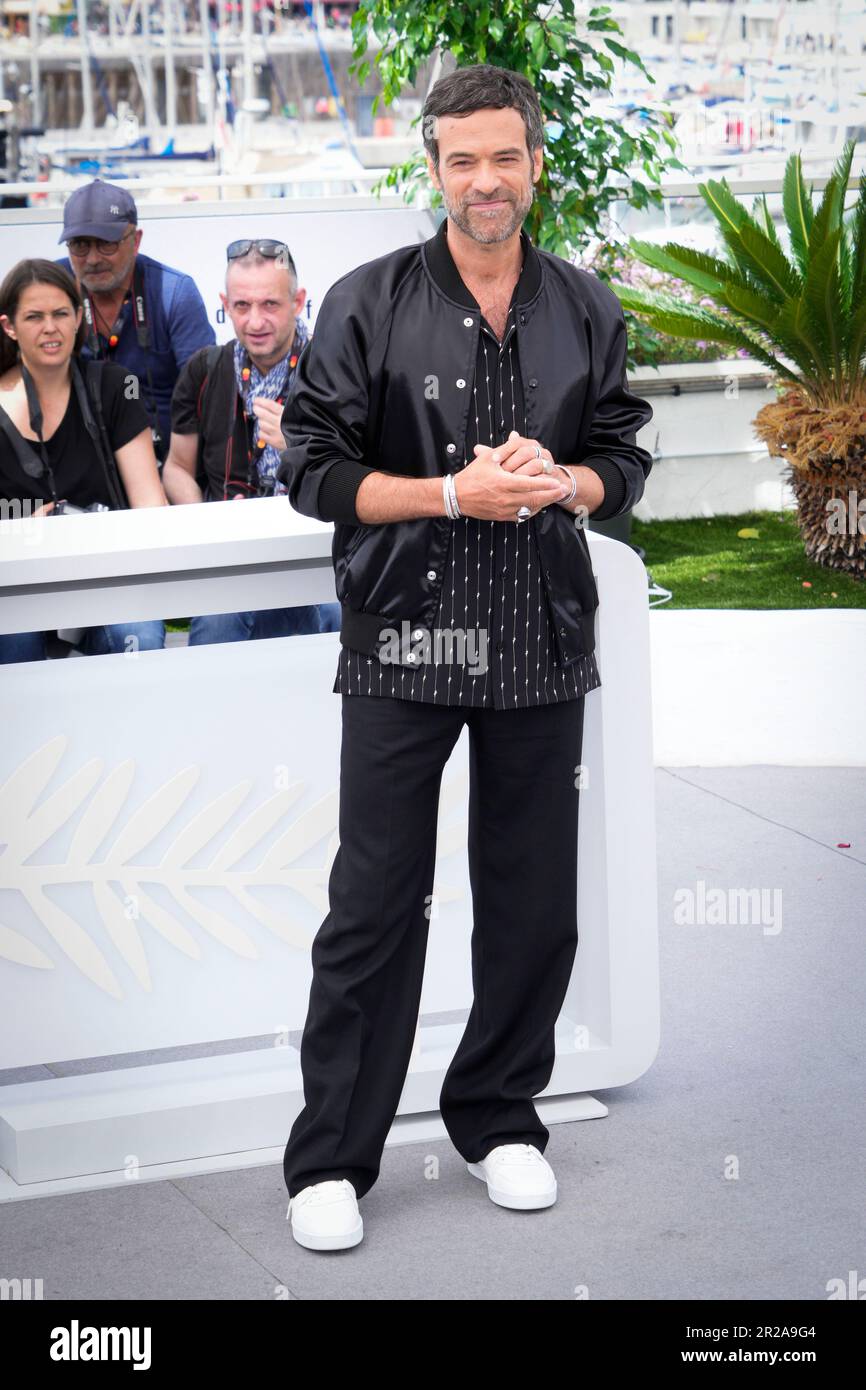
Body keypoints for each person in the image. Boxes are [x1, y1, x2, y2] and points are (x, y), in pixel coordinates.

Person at [278, 63, 654, 1252]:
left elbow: (621, 457)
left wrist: (570, 482)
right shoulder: (364, 301)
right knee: (374, 903)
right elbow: (309, 470)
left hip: (540, 637)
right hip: (403, 638)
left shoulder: (586, 305)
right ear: (433, 167)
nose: (483, 180)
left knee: (534, 902)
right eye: (460, 160)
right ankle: (332, 1158)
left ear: (534, 164)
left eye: (504, 157)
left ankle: (498, 1119)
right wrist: (451, 490)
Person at [162, 237, 340, 642]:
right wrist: (208, 520)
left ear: (298, 302)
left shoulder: (333, 369)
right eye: (242, 306)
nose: (255, 322)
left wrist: (297, 447)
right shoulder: (204, 369)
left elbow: (366, 468)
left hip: (316, 550)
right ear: (226, 305)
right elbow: (175, 467)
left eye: (270, 305)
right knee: (217, 622)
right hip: (233, 556)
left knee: (336, 613)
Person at [0, 259, 168, 663]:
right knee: (13, 642)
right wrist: (25, 530)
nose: (50, 328)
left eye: (61, 314)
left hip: (105, 580)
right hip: (15, 588)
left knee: (139, 636)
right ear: (8, 326)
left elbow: (151, 507)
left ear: (79, 317)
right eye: (34, 317)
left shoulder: (114, 385)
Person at [56, 178, 215, 464]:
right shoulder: (50, 290)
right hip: (78, 463)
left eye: (106, 244)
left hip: (167, 461)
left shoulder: (174, 292)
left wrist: (180, 473)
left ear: (136, 240)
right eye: (79, 245)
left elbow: (205, 397)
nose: (92, 259)